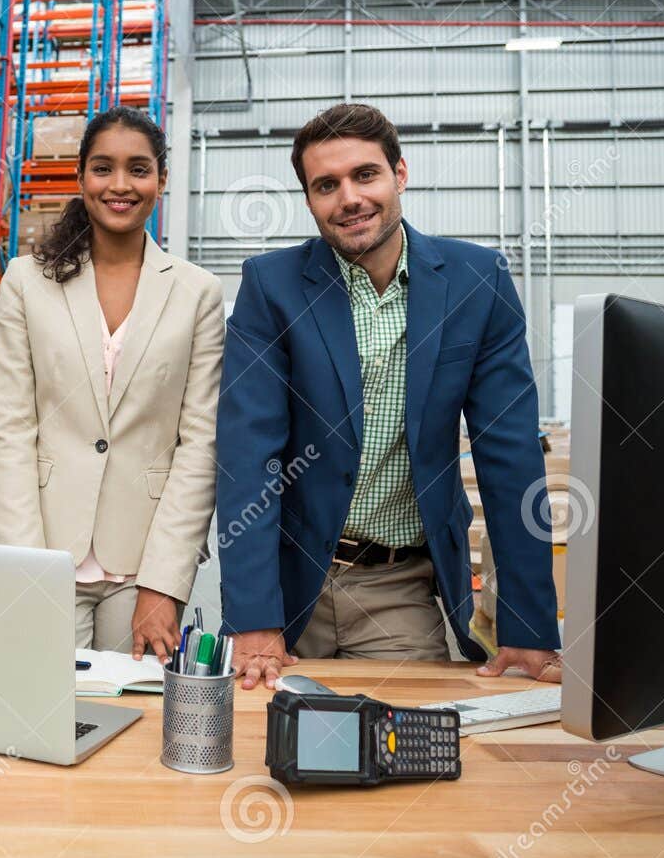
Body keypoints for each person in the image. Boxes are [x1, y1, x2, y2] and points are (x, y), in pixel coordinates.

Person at [217, 103, 562, 689]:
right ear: (309, 201)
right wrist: (254, 618)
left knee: (411, 756)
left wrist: (527, 627)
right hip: (288, 580)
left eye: (365, 175)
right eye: (327, 185)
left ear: (400, 174)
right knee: (260, 748)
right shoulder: (271, 287)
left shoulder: (478, 282)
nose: (348, 198)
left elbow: (509, 456)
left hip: (396, 586)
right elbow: (249, 456)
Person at [0, 107, 224, 661]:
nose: (120, 185)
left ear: (162, 180)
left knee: (132, 717)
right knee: (38, 709)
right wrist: (25, 565)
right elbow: (9, 428)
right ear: (81, 177)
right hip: (42, 547)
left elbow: (199, 445)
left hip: (142, 561)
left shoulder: (197, 293)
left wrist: (164, 582)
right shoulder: (26, 282)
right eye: (103, 168)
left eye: (138, 169)